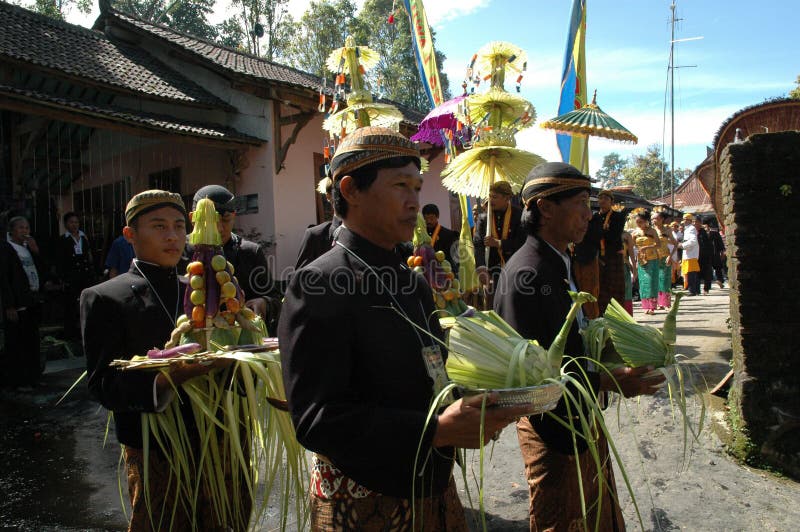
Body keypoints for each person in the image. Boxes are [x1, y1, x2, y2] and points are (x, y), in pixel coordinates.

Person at [279, 127, 529, 530]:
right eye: (399, 186)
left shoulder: (411, 281)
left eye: (417, 186)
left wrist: (481, 396)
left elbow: (434, 370)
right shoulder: (319, 282)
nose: (414, 201)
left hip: (432, 487)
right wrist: (433, 430)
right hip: (362, 501)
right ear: (351, 190)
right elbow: (314, 418)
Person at [494, 162, 663, 531]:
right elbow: (530, 378)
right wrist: (607, 380)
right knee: (564, 519)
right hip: (553, 431)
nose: (590, 214)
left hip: (579, 420)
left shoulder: (560, 260)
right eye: (581, 203)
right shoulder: (528, 274)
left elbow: (570, 345)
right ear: (545, 208)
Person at [81, 190, 241, 531]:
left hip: (218, 437)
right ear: (130, 235)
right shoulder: (107, 297)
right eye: (158, 226)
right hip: (156, 447)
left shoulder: (202, 286)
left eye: (179, 226)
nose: (172, 236)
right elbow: (103, 385)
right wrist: (168, 379)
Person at [192, 185, 282, 332]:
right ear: (193, 218)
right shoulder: (180, 253)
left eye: (226, 219)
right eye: (212, 221)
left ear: (234, 217)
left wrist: (263, 302)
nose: (220, 228)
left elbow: (275, 299)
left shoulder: (249, 252)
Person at [0, 216, 44, 388]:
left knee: (31, 340)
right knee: (17, 343)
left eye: (27, 228)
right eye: (21, 228)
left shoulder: (28, 248)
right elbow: (4, 278)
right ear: (11, 230)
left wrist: (35, 251)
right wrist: (9, 305)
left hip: (32, 298)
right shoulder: (7, 248)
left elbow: (42, 269)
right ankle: (17, 379)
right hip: (17, 303)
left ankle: (33, 377)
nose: (25, 231)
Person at [473, 180, 524, 293]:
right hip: (492, 273)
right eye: (490, 196)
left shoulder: (519, 215)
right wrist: (481, 268)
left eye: (495, 197)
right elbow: (478, 244)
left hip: (516, 269)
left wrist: (499, 243)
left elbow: (522, 243)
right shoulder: (484, 218)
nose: (490, 200)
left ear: (506, 198)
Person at [57, 212, 96, 340]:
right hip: (71, 278)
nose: (74, 225)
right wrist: (63, 278)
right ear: (66, 224)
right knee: (71, 307)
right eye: (71, 222)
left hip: (85, 277)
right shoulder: (63, 240)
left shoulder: (84, 238)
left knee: (86, 304)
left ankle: (87, 333)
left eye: (76, 222)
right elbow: (61, 261)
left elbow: (89, 257)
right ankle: (71, 335)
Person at [295, 177, 343, 269]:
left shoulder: (366, 232)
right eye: (338, 191)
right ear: (328, 196)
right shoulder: (315, 235)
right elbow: (301, 279)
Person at [596, 190, 627, 315]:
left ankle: (618, 316)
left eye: (606, 198)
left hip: (613, 256)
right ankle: (602, 314)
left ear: (611, 202)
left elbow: (614, 235)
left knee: (615, 288)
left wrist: (599, 233)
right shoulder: (595, 217)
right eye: (600, 198)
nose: (602, 201)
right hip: (598, 256)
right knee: (601, 287)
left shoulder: (618, 217)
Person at [571, 206, 602, 319]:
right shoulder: (572, 217)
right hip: (575, 258)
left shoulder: (595, 219)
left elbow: (596, 236)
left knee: (591, 289)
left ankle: (592, 317)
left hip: (589, 257)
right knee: (577, 288)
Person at [632, 209, 661, 314]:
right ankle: (645, 306)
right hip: (641, 260)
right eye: (637, 222)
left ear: (646, 221)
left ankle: (652, 306)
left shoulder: (652, 231)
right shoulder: (635, 232)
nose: (639, 224)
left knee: (651, 281)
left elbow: (659, 244)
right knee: (643, 282)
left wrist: (647, 247)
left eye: (640, 222)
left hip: (652, 259)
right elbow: (632, 245)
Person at [422, 203, 459, 270]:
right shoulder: (421, 234)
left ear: (437, 216)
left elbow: (453, 257)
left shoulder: (449, 234)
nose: (428, 221)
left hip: (443, 270)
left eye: (431, 218)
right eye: (426, 218)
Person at [653, 211, 677, 309]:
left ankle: (666, 302)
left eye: (657, 219)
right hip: (654, 258)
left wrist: (670, 256)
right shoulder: (651, 230)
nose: (654, 221)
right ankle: (659, 302)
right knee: (656, 280)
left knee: (665, 279)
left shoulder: (667, 230)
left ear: (662, 219)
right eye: (653, 219)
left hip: (665, 257)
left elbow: (675, 244)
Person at [679, 213, 701, 296]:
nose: (684, 221)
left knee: (691, 273)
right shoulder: (687, 229)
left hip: (691, 254)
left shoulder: (691, 229)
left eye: (686, 219)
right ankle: (695, 290)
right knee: (690, 273)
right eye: (684, 219)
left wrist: (682, 245)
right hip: (688, 254)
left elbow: (693, 241)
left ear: (689, 220)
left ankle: (693, 290)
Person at [695, 216, 715, 295]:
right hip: (696, 255)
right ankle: (697, 290)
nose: (695, 223)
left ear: (700, 223)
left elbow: (709, 244)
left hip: (705, 255)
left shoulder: (705, 232)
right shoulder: (692, 232)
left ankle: (706, 289)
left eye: (696, 222)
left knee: (707, 272)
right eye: (694, 222)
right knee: (696, 273)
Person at [707, 217, 726, 288]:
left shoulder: (708, 233)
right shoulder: (715, 233)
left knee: (711, 268)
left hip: (710, 253)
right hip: (715, 253)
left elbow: (719, 243)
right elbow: (720, 243)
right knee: (717, 267)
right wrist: (722, 251)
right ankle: (720, 280)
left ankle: (710, 283)